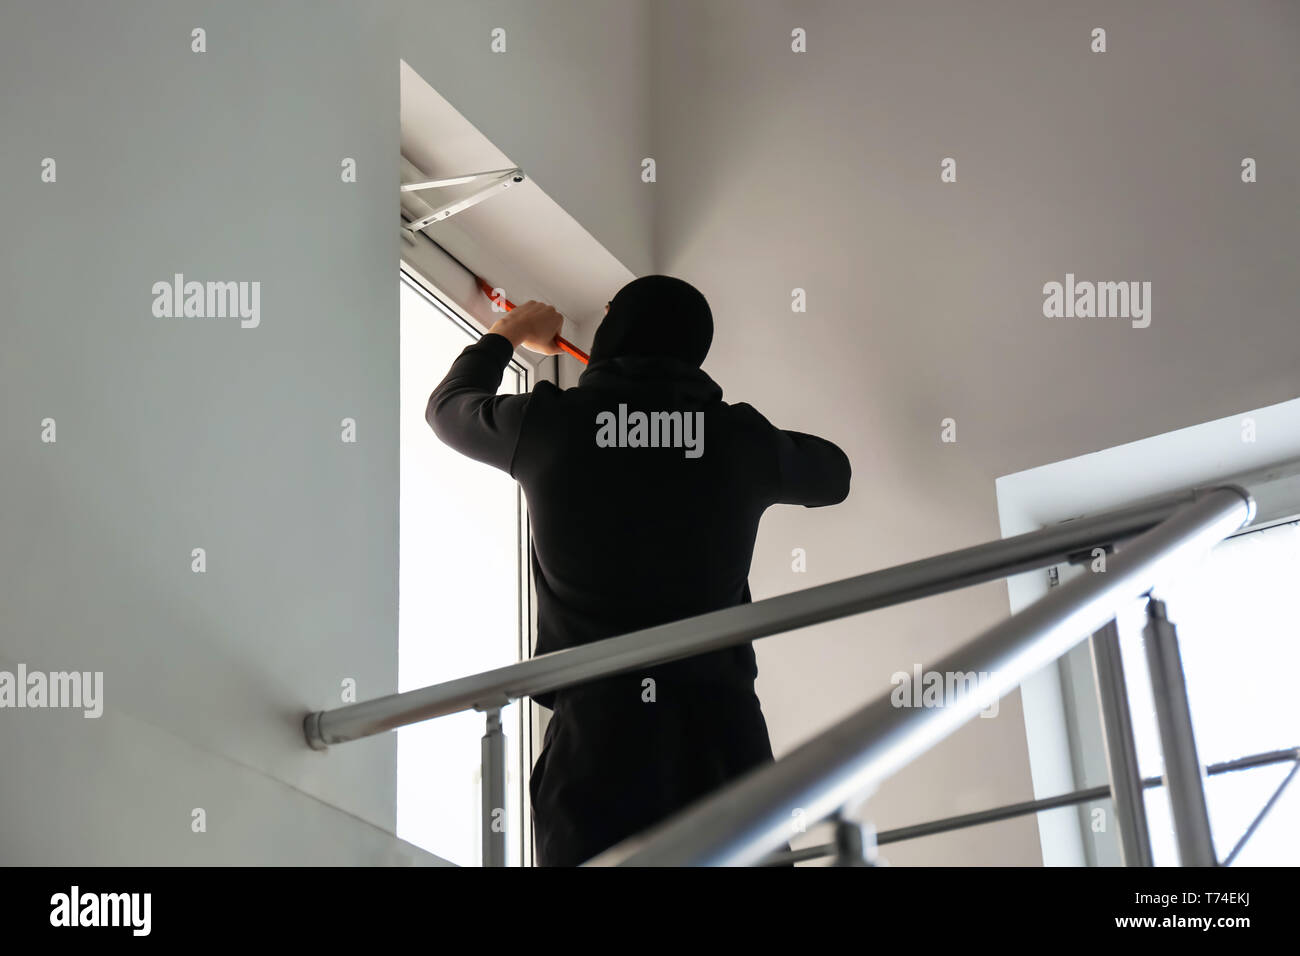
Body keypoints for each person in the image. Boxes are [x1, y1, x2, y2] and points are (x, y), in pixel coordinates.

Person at [426, 274, 851, 866]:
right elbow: (835, 474)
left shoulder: (549, 423)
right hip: (720, 735)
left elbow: (448, 409)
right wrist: (716, 421)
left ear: (614, 331)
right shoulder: (735, 438)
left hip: (596, 737)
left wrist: (509, 331)